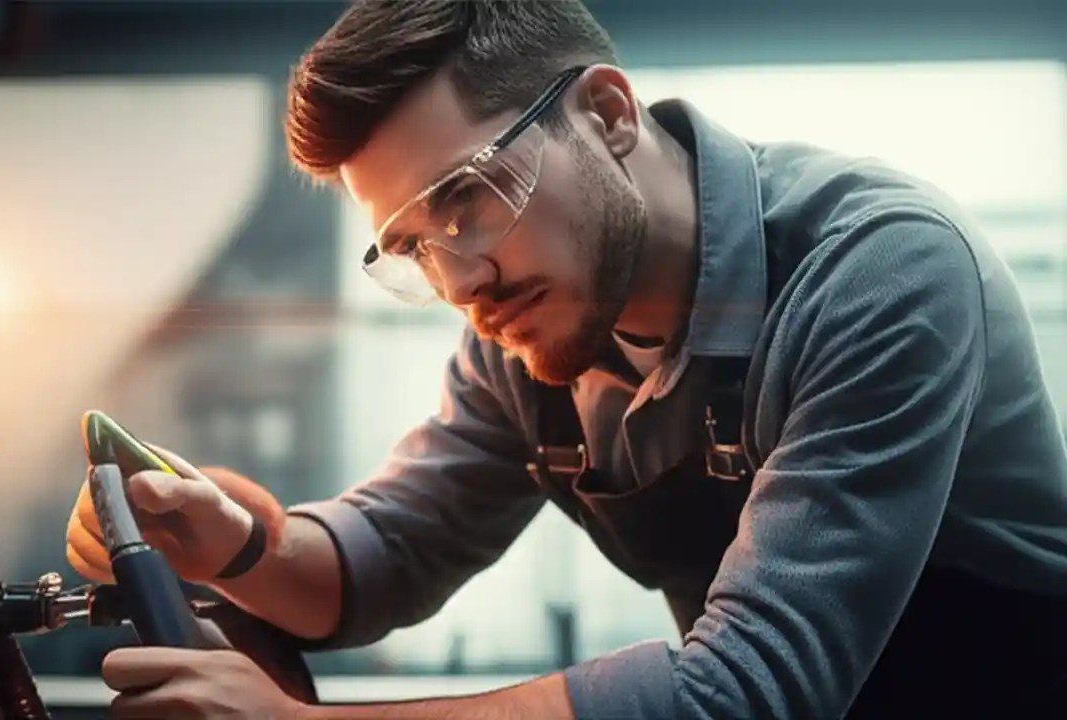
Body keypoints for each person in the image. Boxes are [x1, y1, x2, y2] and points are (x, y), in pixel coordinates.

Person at [65, 1, 1067, 717]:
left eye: (465, 196)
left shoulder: (877, 271)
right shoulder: (524, 335)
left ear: (607, 114)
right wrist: (240, 546)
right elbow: (383, 561)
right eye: (412, 245)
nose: (458, 279)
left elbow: (750, 692)